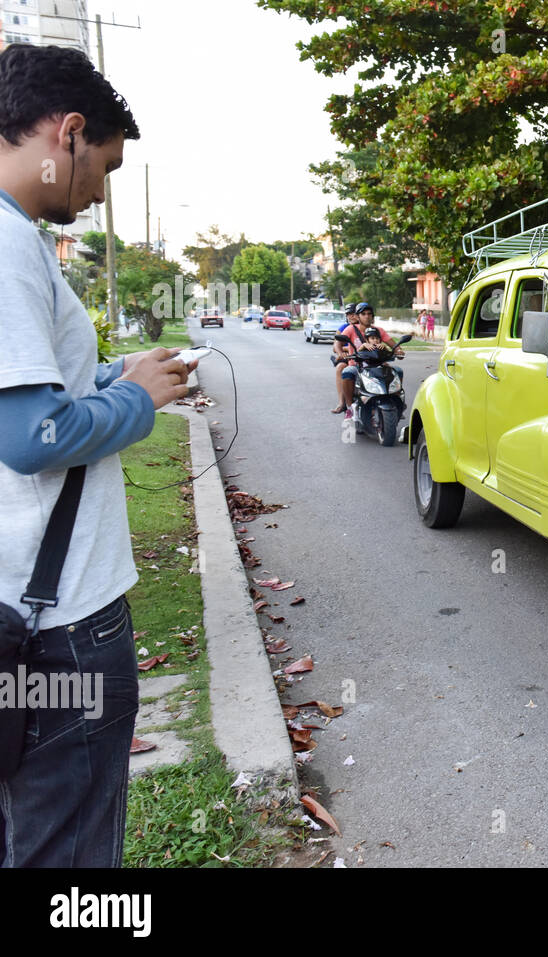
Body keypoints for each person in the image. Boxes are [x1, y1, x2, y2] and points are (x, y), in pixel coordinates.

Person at [0, 43, 195, 867]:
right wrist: (138, 398)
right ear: (69, 131)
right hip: (59, 623)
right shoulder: (9, 247)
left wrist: (117, 373)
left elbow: (39, 388)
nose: (100, 189)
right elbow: (29, 436)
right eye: (105, 165)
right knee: (69, 855)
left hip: (23, 616)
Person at [338, 303, 404, 414]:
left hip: (378, 366)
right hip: (357, 367)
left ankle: (396, 402)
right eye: (363, 314)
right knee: (347, 372)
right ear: (358, 316)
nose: (367, 316)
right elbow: (337, 344)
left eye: (369, 314)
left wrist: (398, 351)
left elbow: (395, 346)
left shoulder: (379, 331)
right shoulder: (350, 329)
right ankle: (349, 407)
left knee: (397, 371)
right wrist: (341, 353)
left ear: (372, 316)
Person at [330, 303, 360, 413]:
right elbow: (335, 347)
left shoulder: (366, 327)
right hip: (349, 358)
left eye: (354, 314)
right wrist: (348, 351)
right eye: (348, 314)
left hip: (365, 358)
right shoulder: (343, 328)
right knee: (341, 367)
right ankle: (342, 403)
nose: (351, 316)